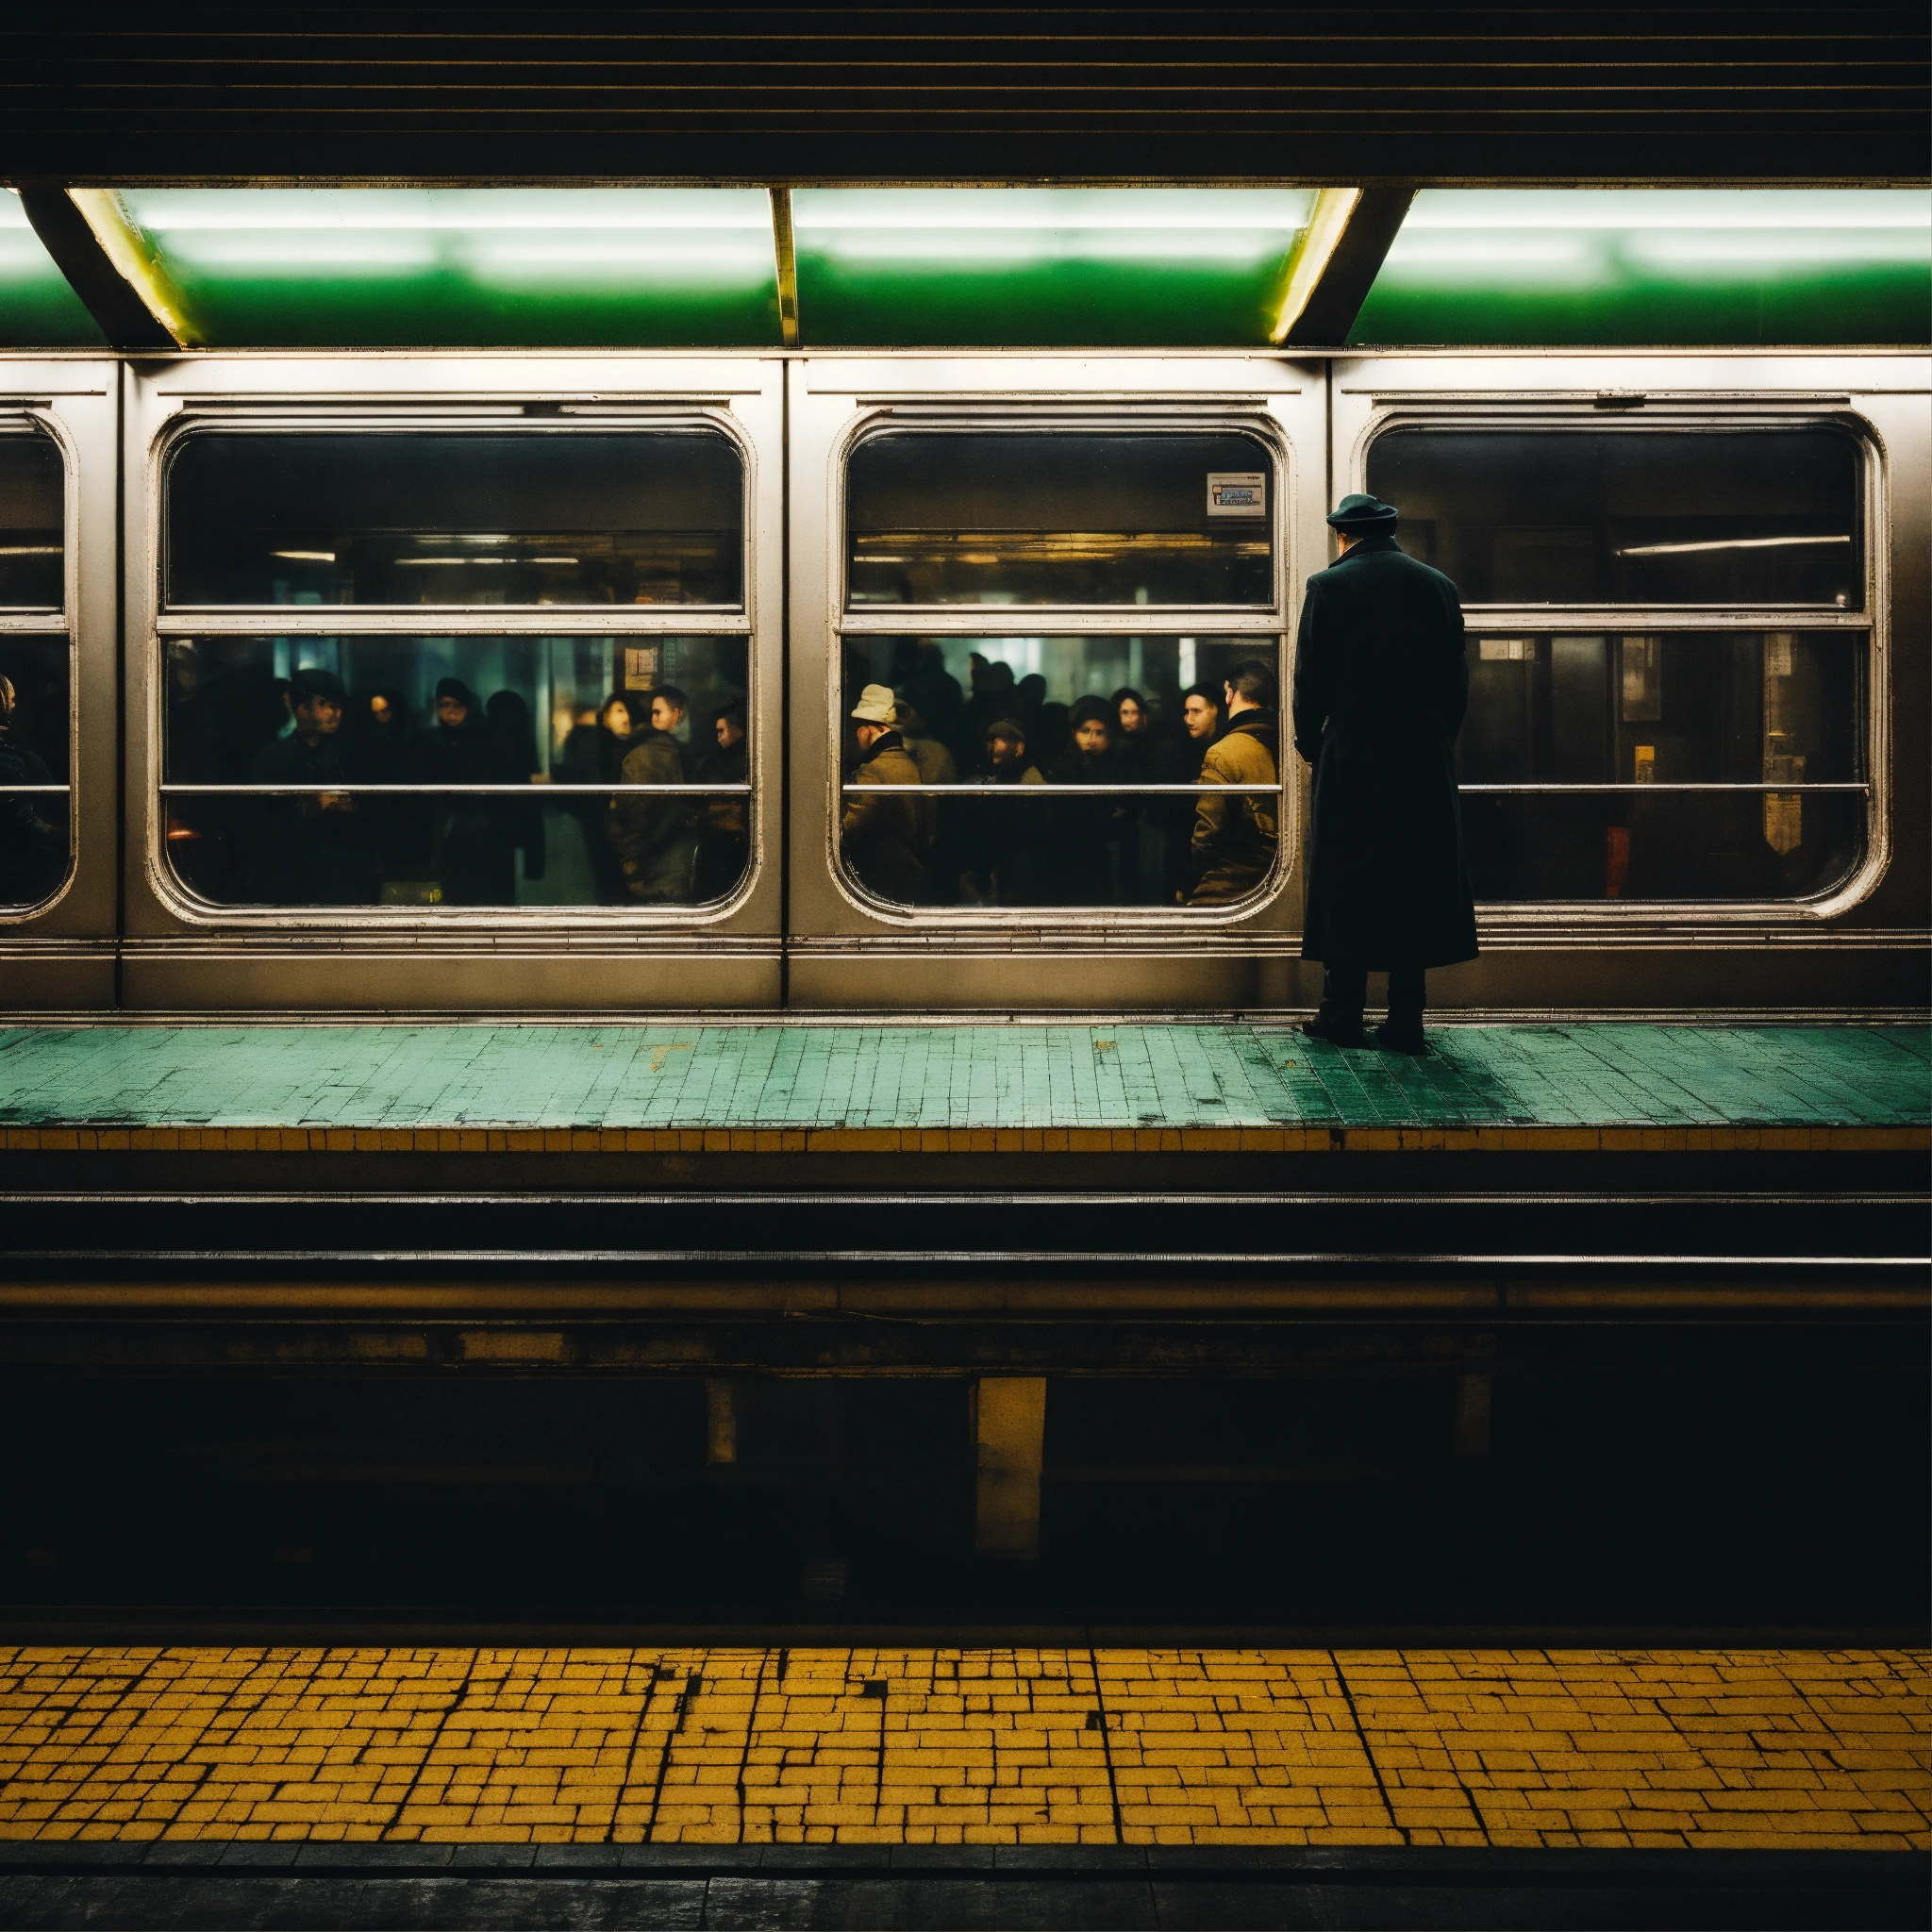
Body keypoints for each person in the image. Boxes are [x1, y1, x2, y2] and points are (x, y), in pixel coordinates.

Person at [1292, 491, 1477, 1053]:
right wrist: (1436, 741)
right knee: (1413, 883)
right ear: (1390, 533)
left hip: (1352, 757)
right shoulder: (1438, 587)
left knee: (1347, 881)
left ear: (1343, 537)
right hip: (1421, 760)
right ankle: (1405, 1020)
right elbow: (1456, 684)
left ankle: (1341, 1013)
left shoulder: (1328, 587)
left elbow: (1310, 682)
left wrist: (1313, 746)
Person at [246, 667, 379, 906]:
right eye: (325, 704)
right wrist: (310, 806)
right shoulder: (271, 760)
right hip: (292, 882)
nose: (335, 713)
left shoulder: (355, 756)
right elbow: (261, 825)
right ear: (301, 708)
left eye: (338, 705)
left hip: (347, 881)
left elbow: (377, 815)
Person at [1186, 658, 1279, 906]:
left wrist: (1189, 879)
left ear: (1229, 695)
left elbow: (1207, 837)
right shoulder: (1286, 747)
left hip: (1233, 881)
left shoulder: (1222, 752)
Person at [414, 675, 515, 905]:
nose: (451, 712)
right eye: (444, 705)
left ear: (467, 708)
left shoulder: (485, 739)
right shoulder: (429, 741)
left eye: (457, 706)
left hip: (481, 831)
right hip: (444, 830)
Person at [606, 686, 701, 903]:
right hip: (681, 860)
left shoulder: (639, 756)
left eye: (658, 712)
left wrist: (629, 859)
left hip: (646, 861)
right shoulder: (693, 755)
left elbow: (629, 813)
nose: (654, 718)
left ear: (677, 714)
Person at [841, 683, 931, 903]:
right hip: (906, 869)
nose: (857, 733)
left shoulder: (874, 771)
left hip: (881, 877)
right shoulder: (906, 763)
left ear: (872, 727)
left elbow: (847, 829)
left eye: (859, 726)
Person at [1045, 694, 1124, 904]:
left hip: (1105, 854)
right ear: (1074, 732)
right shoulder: (1063, 768)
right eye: (1085, 732)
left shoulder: (1119, 766)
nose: (1091, 740)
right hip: (1067, 857)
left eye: (1099, 733)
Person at [959, 716, 1046, 904]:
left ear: (1019, 747)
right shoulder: (997, 774)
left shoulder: (1028, 778)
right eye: (989, 741)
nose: (991, 747)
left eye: (998, 740)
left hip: (1016, 864)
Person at [0, 671, 62, 904]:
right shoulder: (6, 760)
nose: (14, 705)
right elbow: (27, 827)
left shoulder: (16, 750)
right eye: (11, 699)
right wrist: (71, 837)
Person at [694, 696, 750, 900]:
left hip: (723, 848)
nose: (719, 737)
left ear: (738, 729)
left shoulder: (719, 765)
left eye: (722, 731)